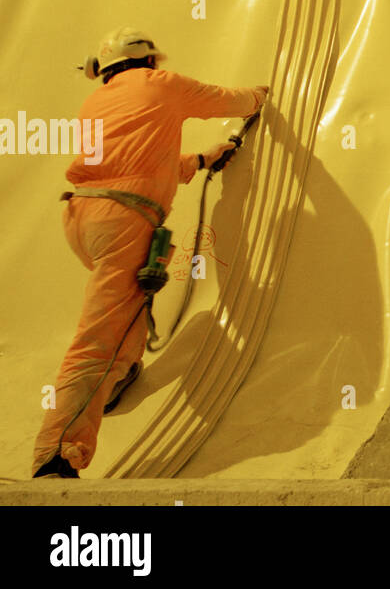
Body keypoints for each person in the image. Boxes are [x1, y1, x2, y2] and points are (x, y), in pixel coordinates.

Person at [31, 27, 267, 479]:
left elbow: (134, 164)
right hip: (123, 221)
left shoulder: (97, 102)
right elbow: (232, 100)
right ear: (149, 61)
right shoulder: (162, 86)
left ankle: (118, 376)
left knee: (125, 316)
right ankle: (58, 455)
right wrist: (264, 95)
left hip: (83, 216)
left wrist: (199, 161)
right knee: (97, 341)